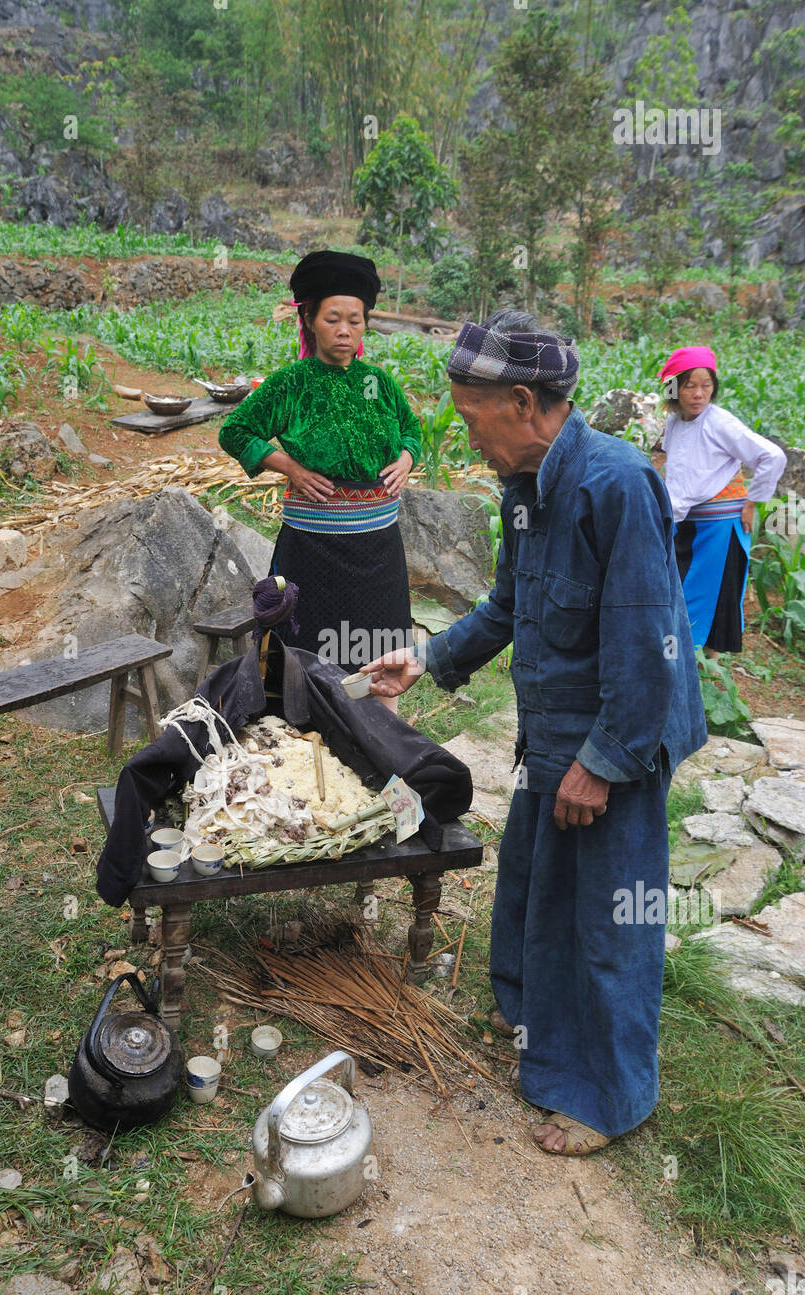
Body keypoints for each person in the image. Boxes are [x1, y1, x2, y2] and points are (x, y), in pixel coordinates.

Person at [362, 310, 707, 1156]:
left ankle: (607, 1097)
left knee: (608, 920)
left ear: (522, 402)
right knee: (534, 889)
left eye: (471, 417)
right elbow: (510, 607)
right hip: (553, 734)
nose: (464, 435)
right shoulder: (526, 488)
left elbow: (643, 638)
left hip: (611, 742)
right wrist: (429, 658)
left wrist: (604, 764)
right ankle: (534, 1030)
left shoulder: (615, 485)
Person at [217, 250, 421, 709]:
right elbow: (234, 432)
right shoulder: (291, 385)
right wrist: (289, 467)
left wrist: (407, 457)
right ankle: (310, 743)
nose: (345, 331)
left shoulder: (379, 383)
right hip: (312, 549)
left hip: (378, 553)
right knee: (304, 653)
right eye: (333, 319)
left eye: (356, 320)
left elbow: (411, 428)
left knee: (378, 653)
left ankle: (383, 745)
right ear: (309, 319)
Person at [656, 345, 786, 655]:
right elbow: (675, 469)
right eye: (689, 385)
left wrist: (754, 502)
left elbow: (772, 456)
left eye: (706, 385)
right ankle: (686, 658)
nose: (699, 393)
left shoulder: (719, 422)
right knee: (682, 591)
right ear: (675, 387)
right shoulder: (674, 422)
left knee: (714, 593)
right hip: (686, 522)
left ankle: (706, 664)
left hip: (721, 525)